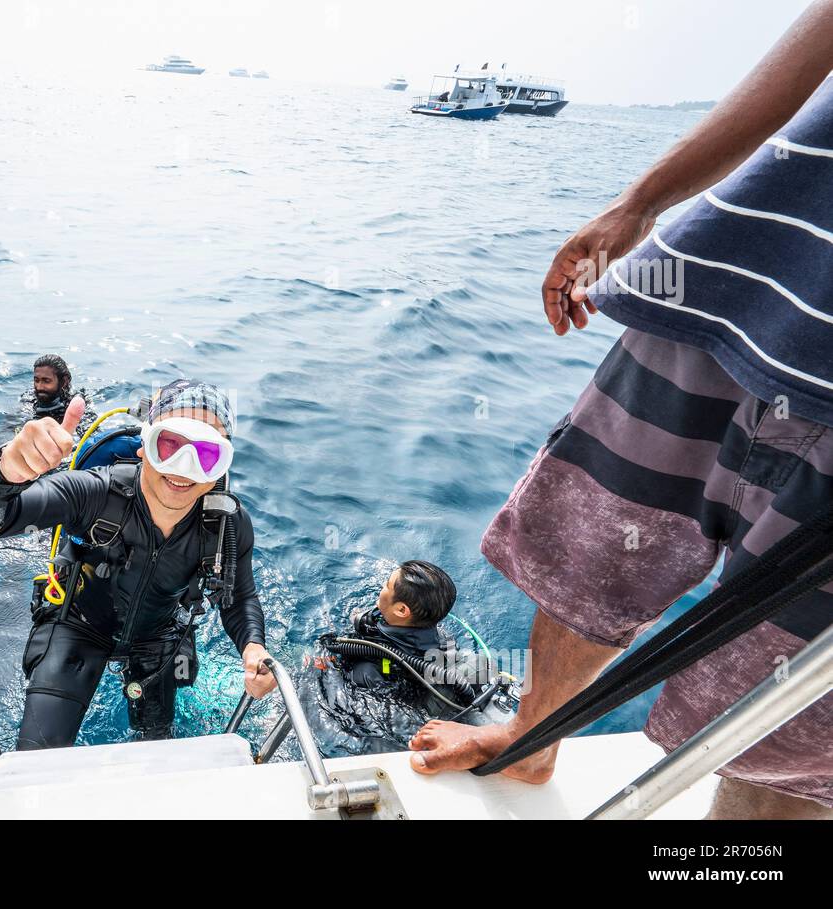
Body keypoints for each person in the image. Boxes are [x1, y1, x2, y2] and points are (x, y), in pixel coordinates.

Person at [409, 2, 833, 819]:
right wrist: (643, 200)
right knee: (586, 540)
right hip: (736, 276)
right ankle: (531, 738)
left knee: (788, 698)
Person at [0, 379, 276, 749]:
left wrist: (253, 646)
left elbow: (238, 597)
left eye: (205, 453)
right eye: (169, 445)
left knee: (157, 747)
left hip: (158, 637)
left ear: (221, 465)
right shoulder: (94, 494)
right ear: (144, 446)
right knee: (36, 761)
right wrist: (4, 473)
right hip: (78, 628)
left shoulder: (226, 524)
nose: (183, 469)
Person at [314, 561, 514, 736]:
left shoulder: (368, 672)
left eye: (387, 585)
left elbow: (371, 718)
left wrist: (328, 668)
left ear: (401, 610)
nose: (381, 588)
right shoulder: (443, 639)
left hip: (396, 703)